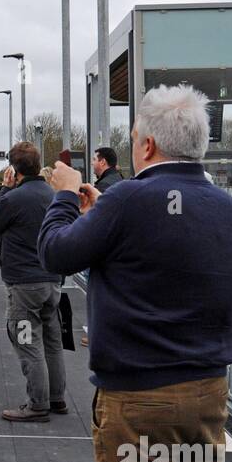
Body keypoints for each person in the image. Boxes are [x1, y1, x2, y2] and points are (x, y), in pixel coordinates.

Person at [38, 84, 232, 462]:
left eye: (134, 139)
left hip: (137, 401)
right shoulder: (225, 209)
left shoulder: (128, 201)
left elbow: (56, 254)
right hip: (206, 394)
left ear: (149, 145)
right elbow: (161, 254)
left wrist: (63, 196)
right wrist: (99, 215)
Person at [0, 143, 67, 422]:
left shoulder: (14, 198)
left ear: (14, 170)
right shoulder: (53, 194)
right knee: (52, 343)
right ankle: (57, 398)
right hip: (53, 281)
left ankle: (37, 405)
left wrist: (4, 189)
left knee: (27, 342)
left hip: (24, 286)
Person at [81, 147, 126, 347]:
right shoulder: (122, 182)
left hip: (103, 251)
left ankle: (97, 333)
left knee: (98, 293)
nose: (92, 163)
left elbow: (98, 221)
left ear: (103, 162)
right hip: (118, 250)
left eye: (94, 159)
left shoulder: (105, 187)